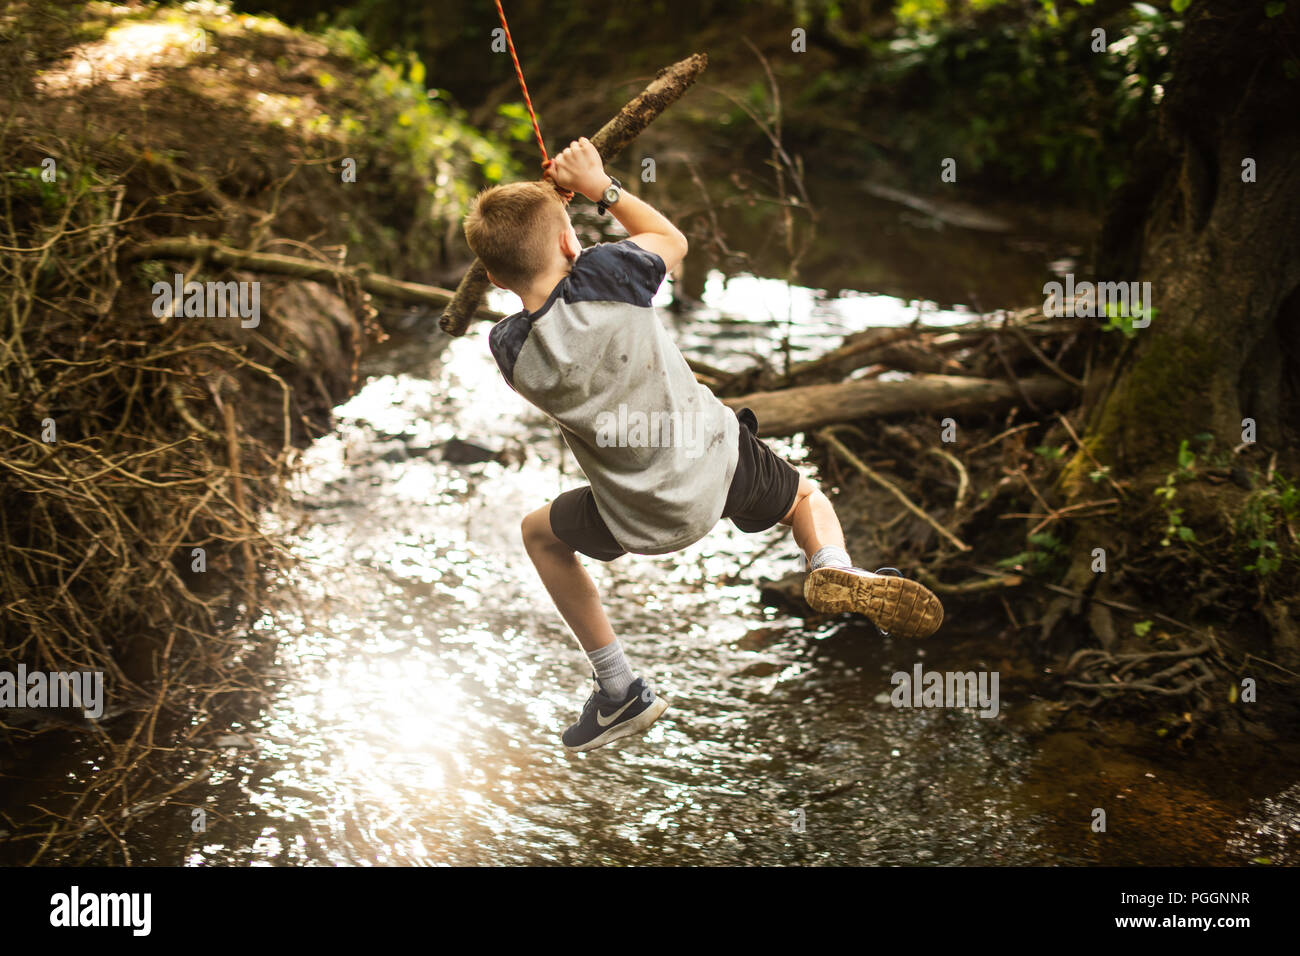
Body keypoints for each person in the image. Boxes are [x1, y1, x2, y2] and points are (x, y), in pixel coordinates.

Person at [463, 137, 943, 753]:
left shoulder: (509, 350)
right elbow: (672, 241)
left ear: (495, 278)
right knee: (804, 498)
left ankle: (618, 689)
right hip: (719, 462)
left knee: (539, 535)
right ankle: (830, 566)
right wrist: (598, 187)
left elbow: (539, 296)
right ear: (568, 243)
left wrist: (542, 236)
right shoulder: (608, 275)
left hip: (636, 514)